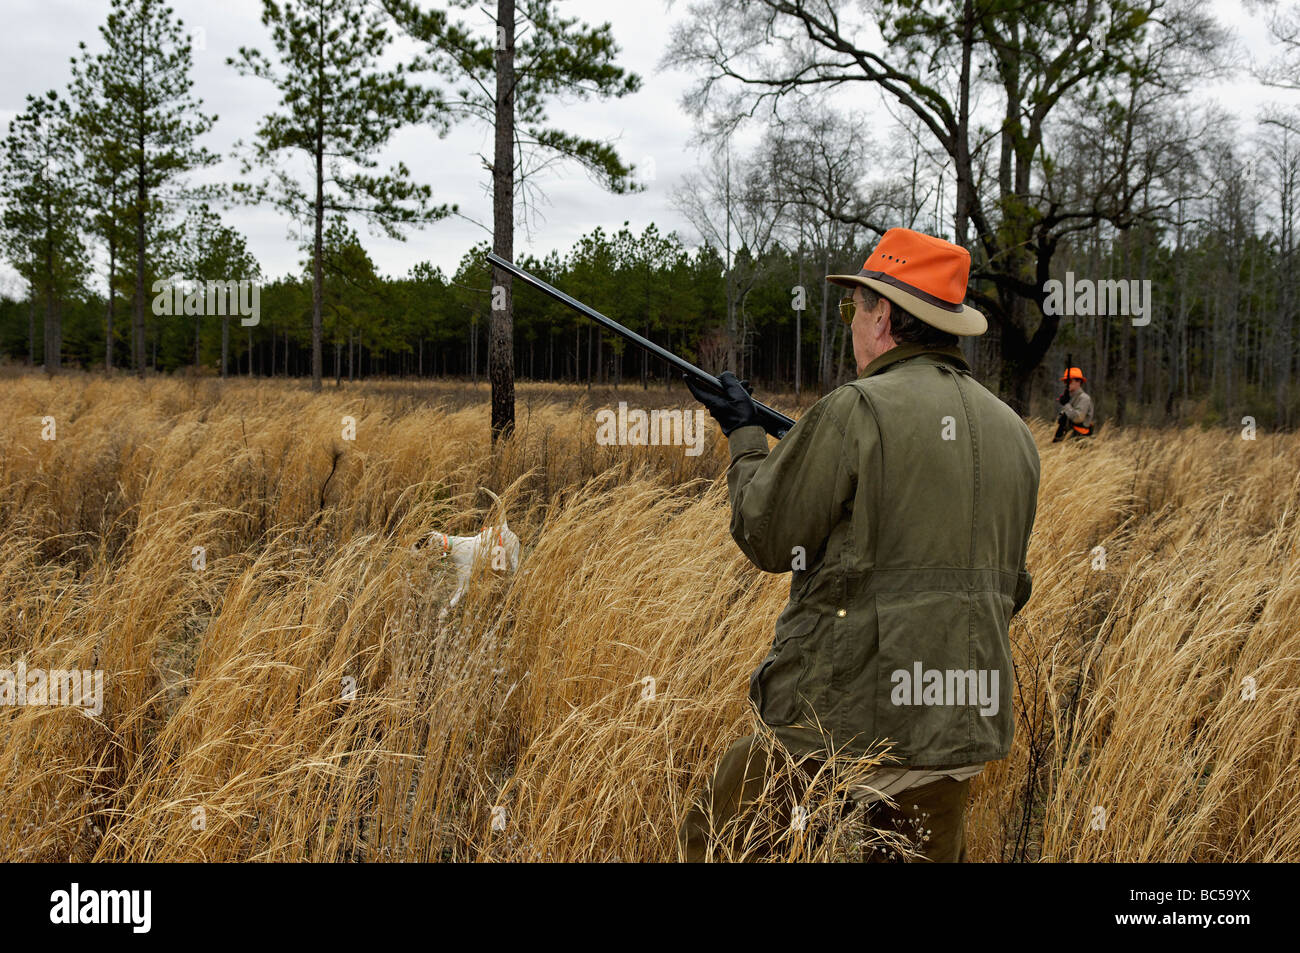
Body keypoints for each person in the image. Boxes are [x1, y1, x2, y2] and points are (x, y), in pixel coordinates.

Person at [680, 227, 1040, 862]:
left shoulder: (856, 409)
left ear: (886, 321)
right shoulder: (1014, 432)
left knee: (719, 837)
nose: (852, 322)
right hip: (955, 729)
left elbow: (767, 534)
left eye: (856, 308)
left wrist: (742, 435)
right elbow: (1013, 587)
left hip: (837, 727)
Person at [1052, 367, 1094, 442]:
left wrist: (1066, 405)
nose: (1066, 384)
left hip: (1080, 441)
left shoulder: (1084, 398)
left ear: (1078, 382)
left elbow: (1078, 418)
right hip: (1069, 438)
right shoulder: (1070, 398)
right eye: (1065, 381)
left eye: (1069, 381)